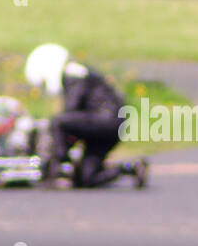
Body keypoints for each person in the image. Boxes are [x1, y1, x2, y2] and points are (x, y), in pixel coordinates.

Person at [23, 43, 145, 188]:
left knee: (57, 122)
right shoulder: (80, 72)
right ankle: (130, 168)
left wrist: (58, 151)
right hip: (115, 125)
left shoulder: (74, 74)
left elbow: (70, 110)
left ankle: (61, 169)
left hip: (104, 120)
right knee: (87, 178)